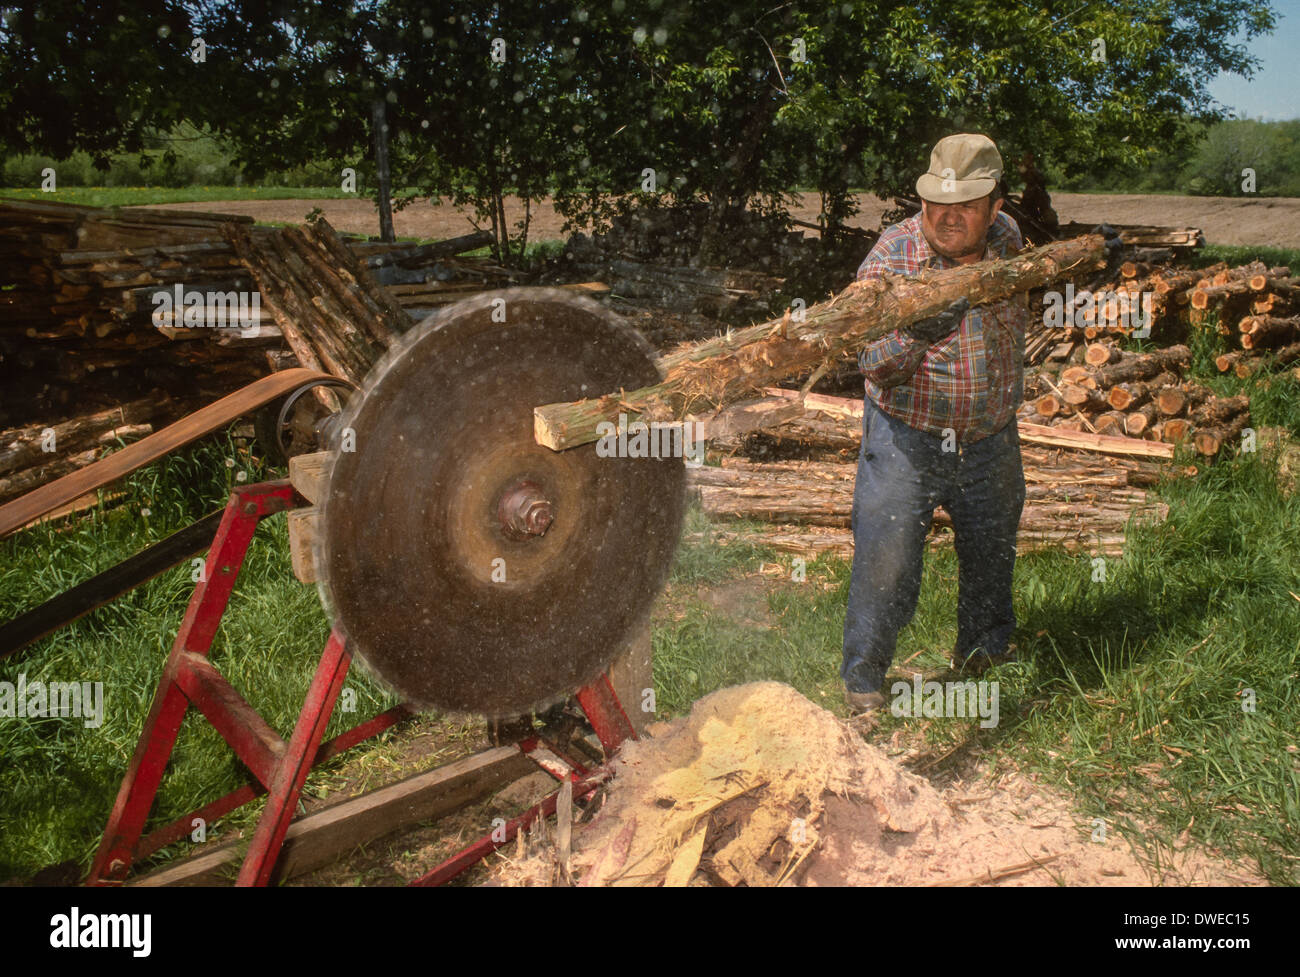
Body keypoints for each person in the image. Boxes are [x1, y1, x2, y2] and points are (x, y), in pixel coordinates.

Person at [841, 133, 1029, 714]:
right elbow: (868, 361)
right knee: (887, 562)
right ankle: (865, 686)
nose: (947, 219)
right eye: (935, 204)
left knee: (992, 556)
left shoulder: (1010, 238)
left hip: (991, 436)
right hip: (907, 438)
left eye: (965, 206)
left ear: (995, 206)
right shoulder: (892, 257)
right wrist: (915, 332)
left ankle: (983, 662)